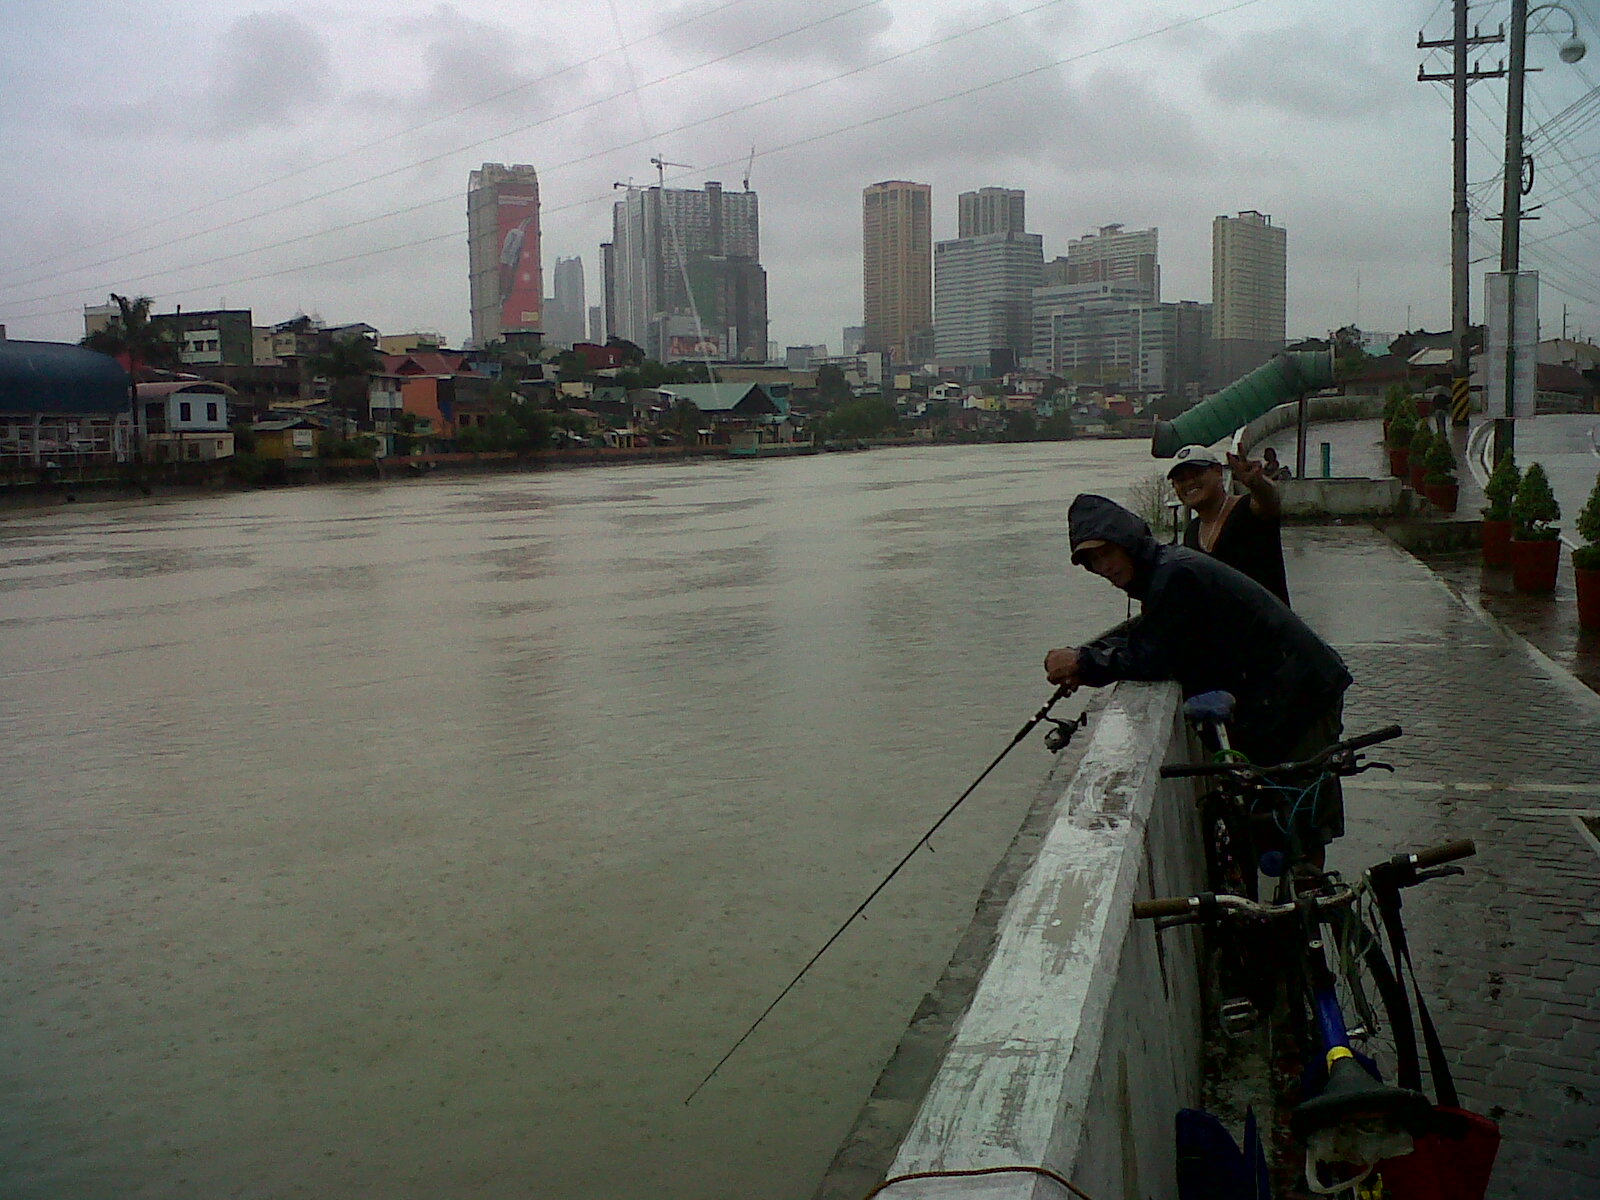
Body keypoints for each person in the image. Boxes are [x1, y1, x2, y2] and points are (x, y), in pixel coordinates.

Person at [1044, 493, 1352, 852]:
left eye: (1107, 552)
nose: (1104, 567)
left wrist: (1082, 663)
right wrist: (1087, 655)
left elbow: (1155, 656)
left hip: (1302, 694)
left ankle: (1314, 899)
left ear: (1127, 541)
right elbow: (1149, 632)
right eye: (1093, 561)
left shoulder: (1174, 575)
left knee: (1302, 816)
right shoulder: (1166, 570)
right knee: (1280, 816)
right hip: (1280, 695)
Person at [1167, 444, 1290, 606]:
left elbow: (1270, 501)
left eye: (1197, 474)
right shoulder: (1192, 532)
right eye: (1180, 479)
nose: (1189, 482)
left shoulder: (1249, 510)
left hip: (1269, 627)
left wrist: (1257, 483)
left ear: (1219, 472)